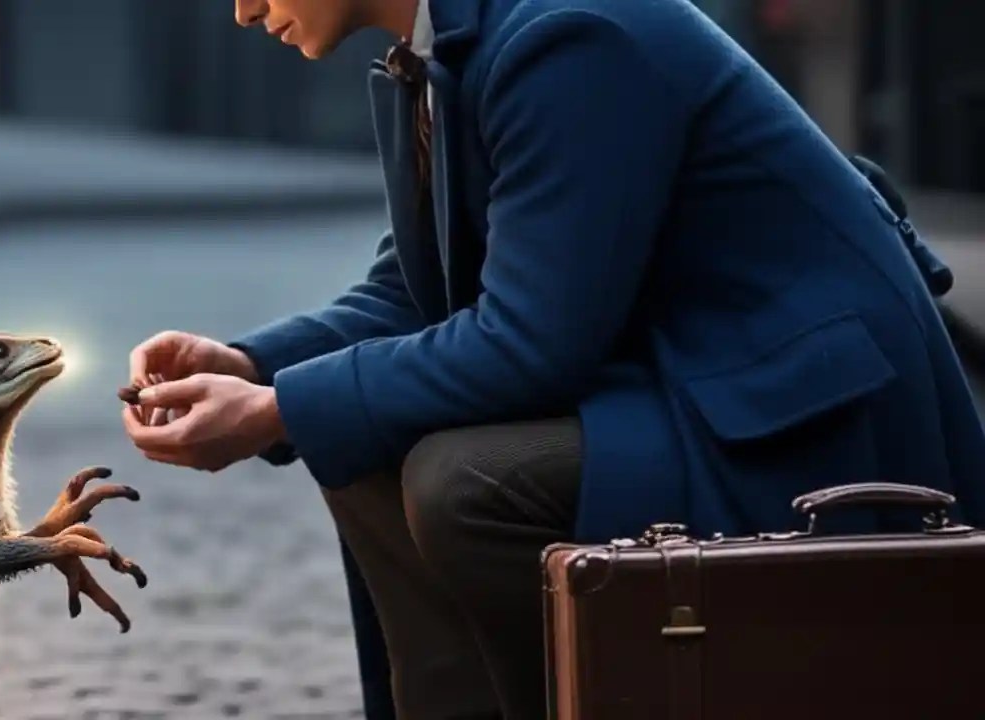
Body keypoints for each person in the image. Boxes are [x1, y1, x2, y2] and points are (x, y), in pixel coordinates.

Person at [122, 0, 985, 718]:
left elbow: (533, 346)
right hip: (699, 383)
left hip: (812, 422)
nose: (239, 9)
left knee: (464, 480)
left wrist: (280, 409)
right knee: (353, 425)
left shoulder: (566, 34)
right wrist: (252, 366)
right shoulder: (451, 43)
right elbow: (415, 295)